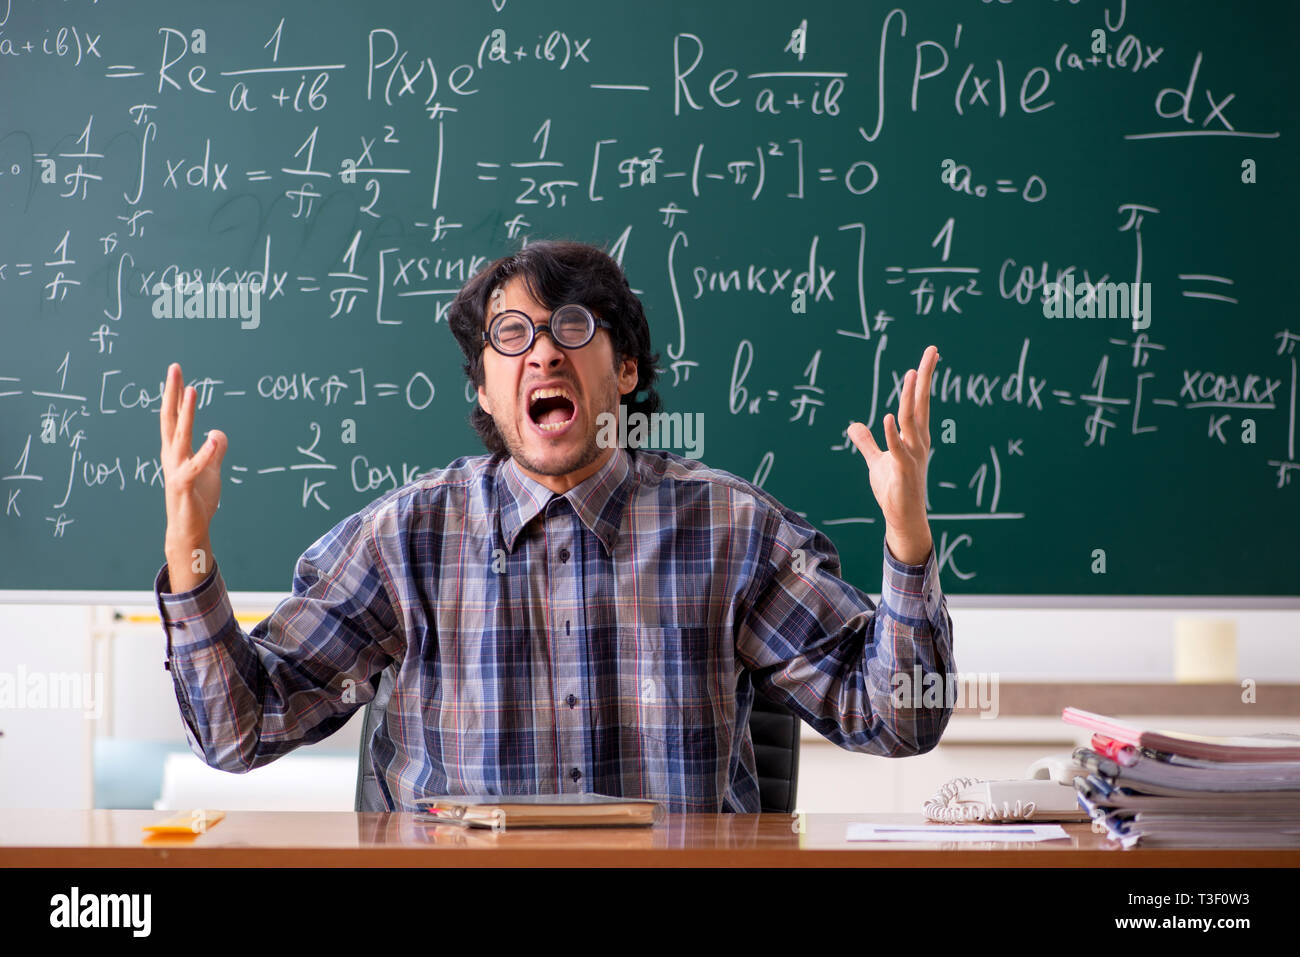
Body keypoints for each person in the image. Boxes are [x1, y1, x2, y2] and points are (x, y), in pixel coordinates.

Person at [156, 240, 954, 813]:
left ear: (627, 370)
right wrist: (188, 554)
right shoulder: (406, 539)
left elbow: (898, 718)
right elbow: (239, 731)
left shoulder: (729, 529)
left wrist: (909, 542)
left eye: (571, 327)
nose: (541, 353)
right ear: (486, 391)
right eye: (512, 337)